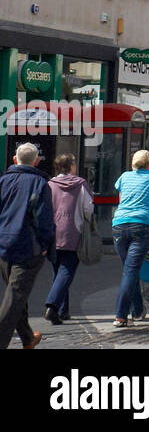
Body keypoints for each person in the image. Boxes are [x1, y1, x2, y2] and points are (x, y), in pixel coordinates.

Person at [0, 143, 54, 348]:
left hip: (4, 245)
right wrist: (44, 244)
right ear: (37, 161)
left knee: (15, 293)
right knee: (15, 296)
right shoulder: (40, 184)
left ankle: (27, 338)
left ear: (15, 159)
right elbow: (44, 220)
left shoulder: (3, 181)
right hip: (27, 247)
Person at [111, 149, 149, 328]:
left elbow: (122, 200)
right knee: (130, 271)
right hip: (142, 225)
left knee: (130, 269)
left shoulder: (125, 177)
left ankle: (137, 311)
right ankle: (121, 315)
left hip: (119, 225)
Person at [44, 153, 94, 325]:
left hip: (53, 233)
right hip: (74, 231)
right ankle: (52, 305)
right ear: (71, 166)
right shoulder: (81, 184)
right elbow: (88, 208)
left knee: (58, 271)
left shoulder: (49, 184)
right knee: (67, 271)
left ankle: (62, 310)